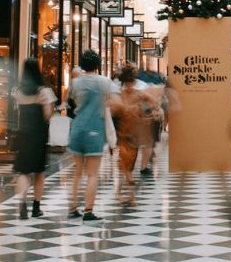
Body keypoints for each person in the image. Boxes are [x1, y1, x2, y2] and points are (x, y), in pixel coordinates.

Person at [67, 49, 110, 222]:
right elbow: (111, 101)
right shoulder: (103, 82)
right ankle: (88, 211)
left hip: (77, 128)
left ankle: (72, 208)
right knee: (92, 174)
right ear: (97, 65)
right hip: (94, 128)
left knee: (77, 173)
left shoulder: (75, 83)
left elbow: (71, 100)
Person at [12, 57, 56, 219]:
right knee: (39, 172)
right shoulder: (44, 92)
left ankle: (22, 204)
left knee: (24, 171)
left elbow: (17, 112)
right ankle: (36, 207)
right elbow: (47, 115)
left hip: (23, 134)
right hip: (38, 135)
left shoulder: (18, 91)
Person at [111, 64, 161, 205]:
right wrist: (151, 113)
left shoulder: (121, 96)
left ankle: (127, 188)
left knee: (126, 164)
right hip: (132, 133)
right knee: (126, 164)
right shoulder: (138, 94)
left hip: (125, 134)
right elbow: (154, 103)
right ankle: (126, 193)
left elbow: (112, 111)